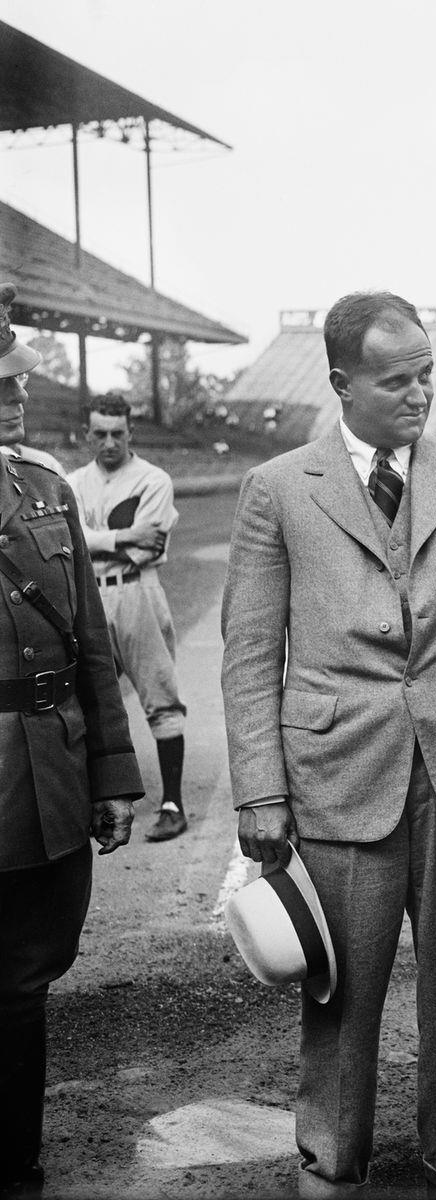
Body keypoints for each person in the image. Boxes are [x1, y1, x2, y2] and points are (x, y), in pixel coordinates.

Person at [221, 290, 436, 1198]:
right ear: (341, 383)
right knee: (338, 991)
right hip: (335, 776)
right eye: (396, 379)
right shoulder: (279, 488)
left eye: (427, 373)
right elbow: (250, 652)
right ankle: (332, 1168)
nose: (419, 394)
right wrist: (259, 789)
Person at [0, 282, 141, 1192]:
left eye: (14, 377)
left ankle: (14, 1153)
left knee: (29, 970)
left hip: (47, 767)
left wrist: (114, 775)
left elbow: (92, 644)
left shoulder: (45, 487)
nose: (17, 391)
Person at [67, 394, 190, 841]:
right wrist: (119, 535)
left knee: (160, 695)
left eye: (118, 433)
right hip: (89, 599)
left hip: (138, 592)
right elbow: (71, 541)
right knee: (84, 701)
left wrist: (93, 539)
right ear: (87, 435)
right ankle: (92, 804)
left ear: (130, 434)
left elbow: (146, 549)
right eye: (100, 433)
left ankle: (173, 804)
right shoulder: (73, 481)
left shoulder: (154, 480)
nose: (109, 442)